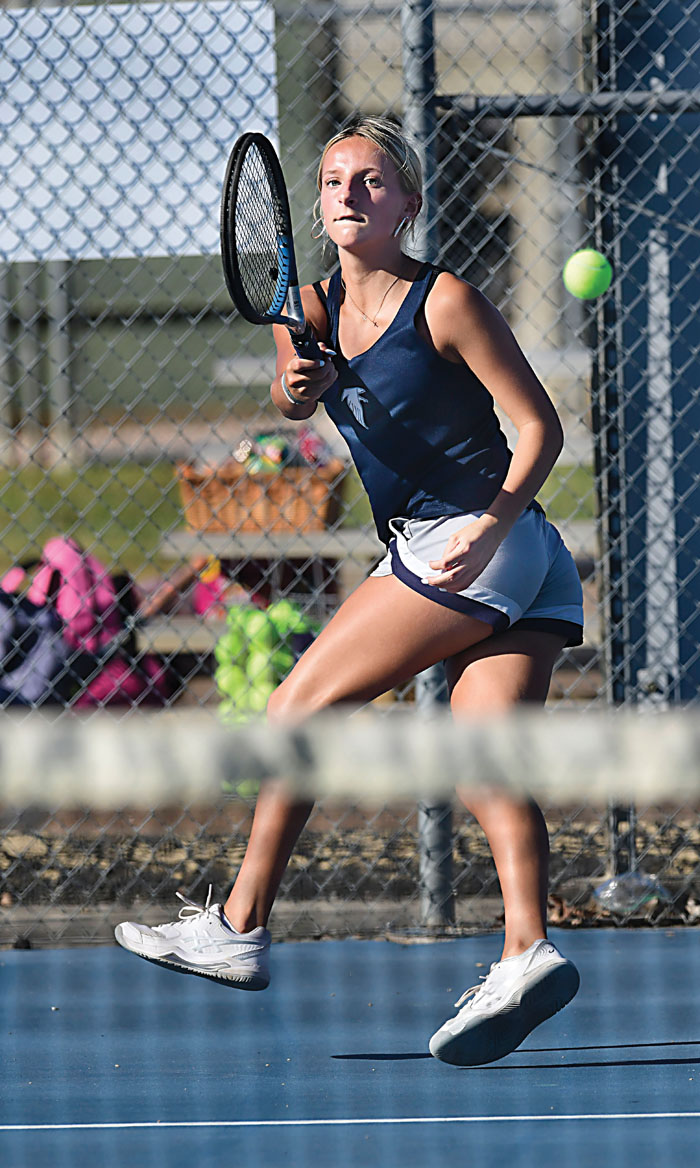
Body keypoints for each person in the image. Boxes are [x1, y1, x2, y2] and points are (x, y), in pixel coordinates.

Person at [115, 115, 583, 1067]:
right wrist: (302, 381)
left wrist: (486, 525)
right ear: (319, 207)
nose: (349, 194)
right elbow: (296, 393)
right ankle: (527, 949)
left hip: (485, 535)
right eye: (334, 182)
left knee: (296, 709)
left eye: (372, 181)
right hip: (509, 560)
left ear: (408, 202)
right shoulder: (314, 308)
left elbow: (539, 428)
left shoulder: (445, 300)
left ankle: (239, 926)